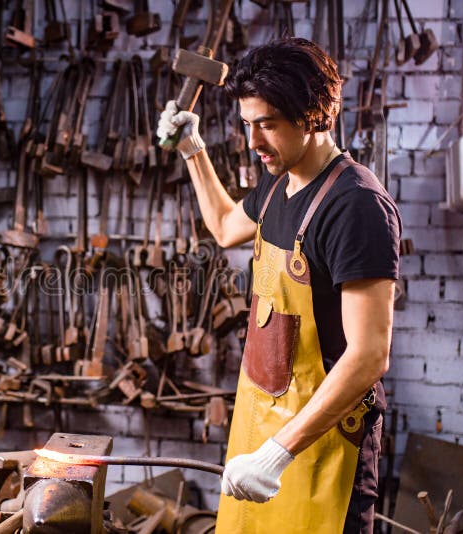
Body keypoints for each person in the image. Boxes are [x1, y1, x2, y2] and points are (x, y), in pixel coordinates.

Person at [156, 37, 402, 533]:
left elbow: (370, 354)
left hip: (320, 448)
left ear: (313, 115)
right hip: (260, 426)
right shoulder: (278, 179)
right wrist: (191, 149)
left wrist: (278, 453)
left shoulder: (355, 206)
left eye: (267, 124)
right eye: (248, 124)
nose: (253, 142)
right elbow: (226, 226)